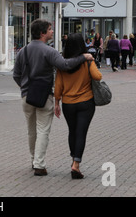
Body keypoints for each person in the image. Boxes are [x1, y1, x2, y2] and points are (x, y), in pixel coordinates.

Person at [13, 20, 94, 176]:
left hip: (26, 97)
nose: (52, 32)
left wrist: (25, 87)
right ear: (43, 33)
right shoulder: (50, 51)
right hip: (44, 97)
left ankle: (33, 160)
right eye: (50, 30)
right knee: (43, 130)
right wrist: (84, 57)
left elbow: (16, 75)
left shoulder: (23, 51)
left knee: (31, 131)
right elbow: (65, 65)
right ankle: (39, 164)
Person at [54, 33, 102, 179]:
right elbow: (97, 76)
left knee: (72, 131)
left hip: (68, 103)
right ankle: (76, 164)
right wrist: (91, 62)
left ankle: (73, 159)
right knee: (81, 133)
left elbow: (58, 86)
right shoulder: (87, 61)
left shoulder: (63, 64)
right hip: (86, 102)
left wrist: (57, 102)